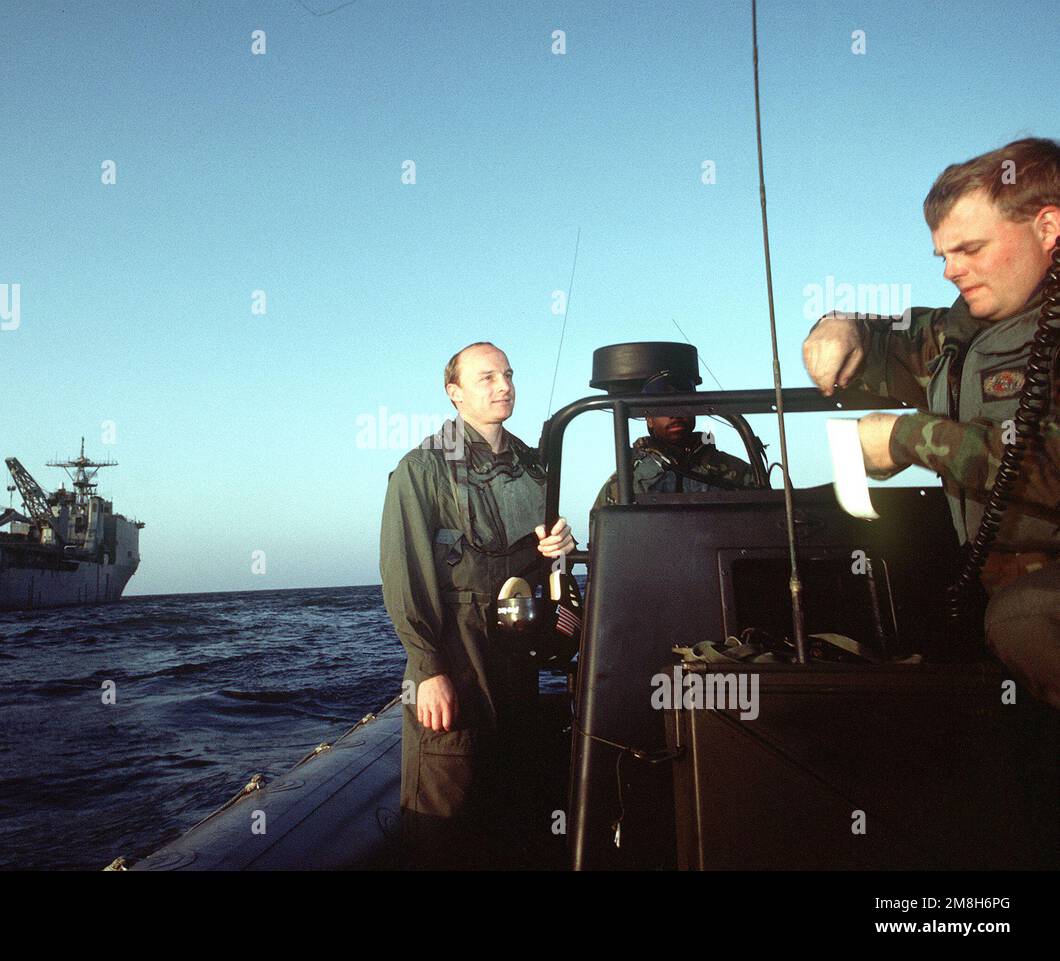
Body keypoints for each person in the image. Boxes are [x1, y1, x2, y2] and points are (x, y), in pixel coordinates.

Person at [802, 137, 1060, 708]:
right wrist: (838, 324)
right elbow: (882, 344)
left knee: (1024, 619)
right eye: (943, 256)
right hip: (988, 577)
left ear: (1047, 229)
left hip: (1037, 593)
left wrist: (908, 438)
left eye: (969, 249)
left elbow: (1044, 468)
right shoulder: (965, 328)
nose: (950, 271)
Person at [379, 341, 575, 868]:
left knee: (512, 796)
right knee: (449, 791)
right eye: (486, 378)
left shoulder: (534, 467)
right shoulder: (421, 470)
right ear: (455, 394)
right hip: (456, 652)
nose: (503, 385)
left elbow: (545, 568)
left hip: (517, 654)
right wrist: (428, 670)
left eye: (508, 374)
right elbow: (406, 577)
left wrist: (560, 548)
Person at [591, 372, 760, 511]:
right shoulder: (625, 481)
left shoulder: (736, 472)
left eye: (682, 403)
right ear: (649, 419)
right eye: (662, 407)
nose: (674, 414)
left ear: (695, 409)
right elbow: (602, 540)